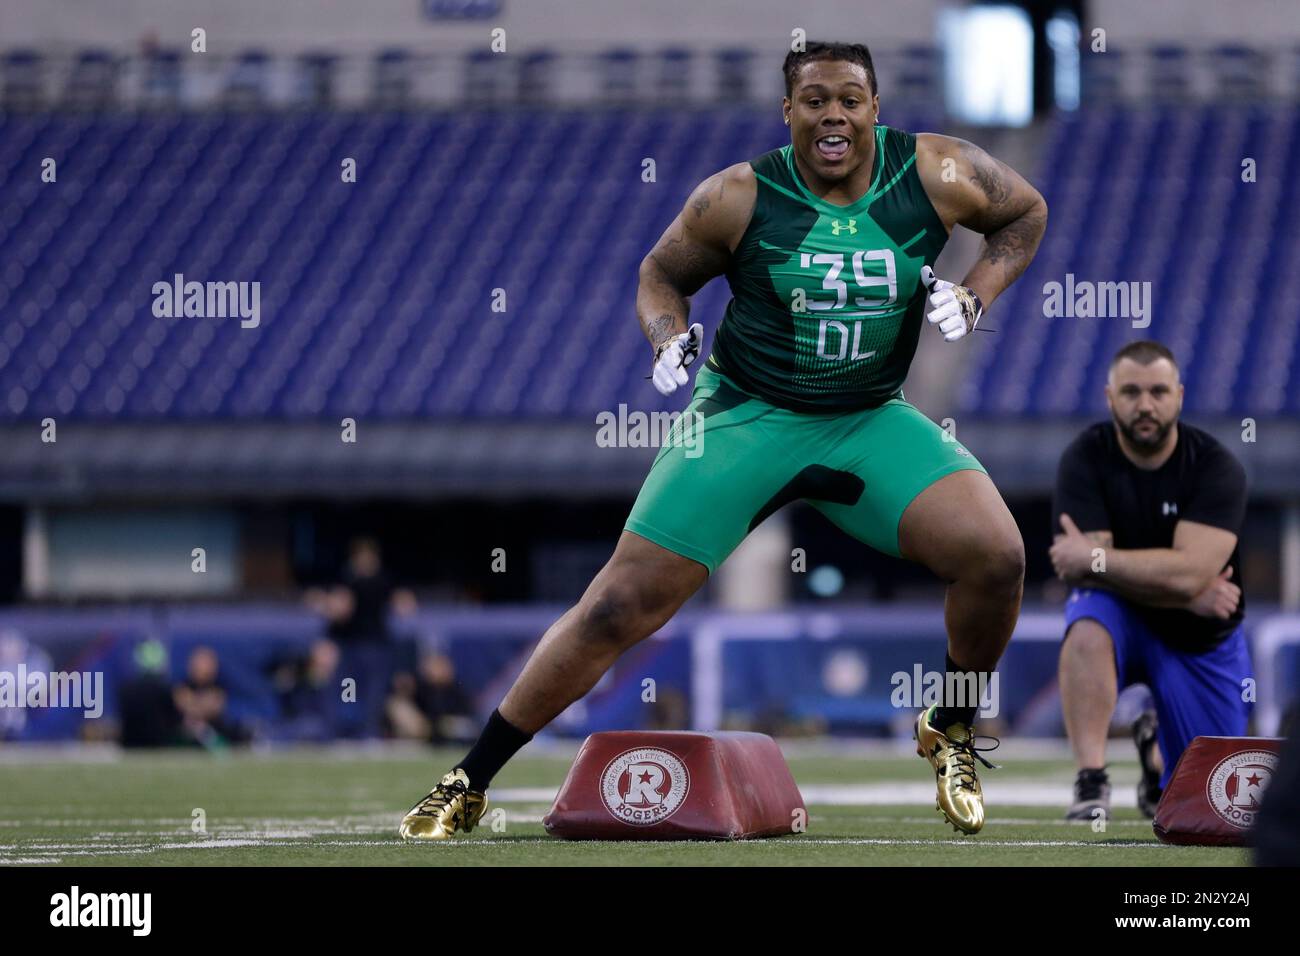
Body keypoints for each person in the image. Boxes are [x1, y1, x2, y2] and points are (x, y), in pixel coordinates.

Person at [400, 40, 1048, 839]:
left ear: (876, 108)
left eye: (850, 98)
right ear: (789, 113)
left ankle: (949, 725)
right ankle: (469, 778)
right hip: (746, 415)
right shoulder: (738, 196)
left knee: (1000, 556)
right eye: (815, 100)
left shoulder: (938, 172)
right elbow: (658, 274)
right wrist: (666, 336)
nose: (834, 115)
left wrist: (978, 292)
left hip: (868, 418)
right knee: (618, 605)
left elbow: (1025, 212)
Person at [1051, 340, 1252, 821]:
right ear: (1109, 397)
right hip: (1120, 617)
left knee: (1214, 806)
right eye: (1132, 392)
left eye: (1158, 391)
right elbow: (1178, 577)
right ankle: (1091, 780)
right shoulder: (1085, 456)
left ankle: (1155, 756)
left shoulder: (1216, 466)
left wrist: (1100, 558)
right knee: (1085, 628)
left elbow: (1093, 562)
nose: (1145, 405)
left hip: (1199, 636)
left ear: (1179, 396)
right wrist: (1183, 584)